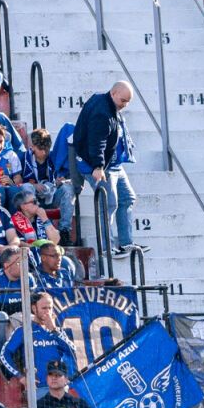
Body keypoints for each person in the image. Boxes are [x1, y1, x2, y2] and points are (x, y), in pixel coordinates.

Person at [72, 80, 140, 270]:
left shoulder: (106, 102)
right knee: (108, 203)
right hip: (99, 165)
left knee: (127, 198)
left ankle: (126, 243)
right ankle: (106, 247)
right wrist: (98, 166)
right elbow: (96, 142)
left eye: (128, 102)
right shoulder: (101, 112)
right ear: (114, 93)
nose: (125, 105)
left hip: (114, 164)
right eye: (123, 100)